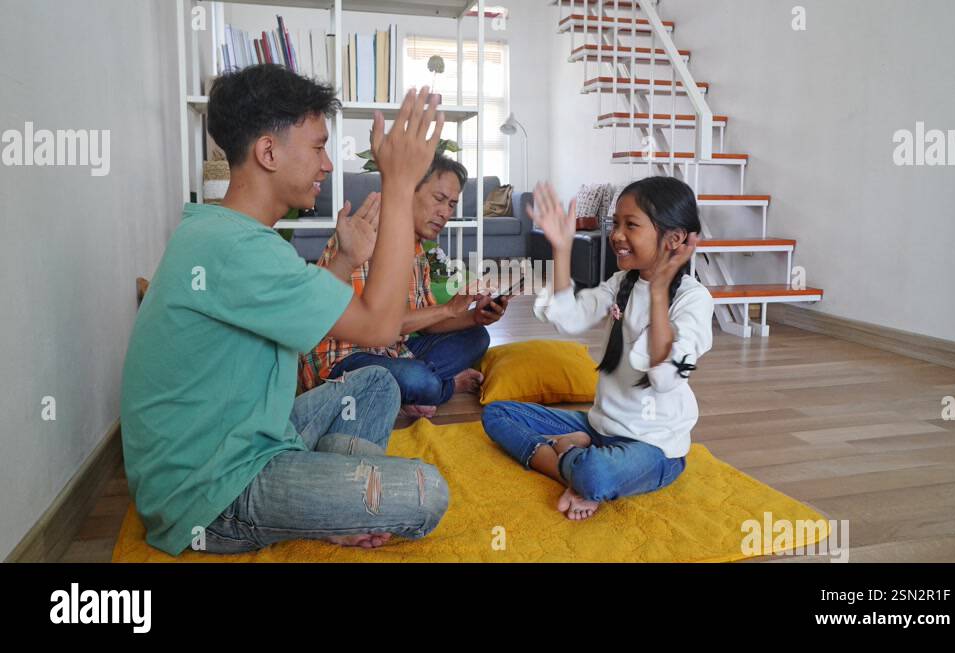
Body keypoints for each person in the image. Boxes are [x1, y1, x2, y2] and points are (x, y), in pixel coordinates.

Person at [120, 64, 449, 556]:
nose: (327, 165)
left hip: (251, 435)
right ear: (268, 152)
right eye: (318, 147)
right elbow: (381, 327)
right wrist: (400, 184)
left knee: (378, 383)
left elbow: (310, 329)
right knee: (428, 494)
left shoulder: (225, 232)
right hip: (209, 493)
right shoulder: (238, 249)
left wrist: (344, 259)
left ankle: (331, 497)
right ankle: (333, 500)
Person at [481, 177, 714, 520]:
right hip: (598, 427)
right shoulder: (622, 282)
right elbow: (570, 318)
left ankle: (577, 469)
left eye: (630, 225)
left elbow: (665, 378)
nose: (617, 234)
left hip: (652, 448)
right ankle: (570, 463)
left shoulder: (693, 300)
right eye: (615, 223)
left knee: (596, 475)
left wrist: (660, 291)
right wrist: (561, 250)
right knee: (497, 414)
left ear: (674, 239)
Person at [299, 155, 510, 419]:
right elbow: (379, 324)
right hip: (343, 359)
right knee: (422, 381)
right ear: (408, 191)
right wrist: (449, 310)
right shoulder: (368, 236)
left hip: (392, 352)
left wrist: (473, 316)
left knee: (478, 337)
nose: (445, 212)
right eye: (439, 198)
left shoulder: (418, 248)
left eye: (452, 204)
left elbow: (426, 323)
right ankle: (441, 387)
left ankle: (404, 389)